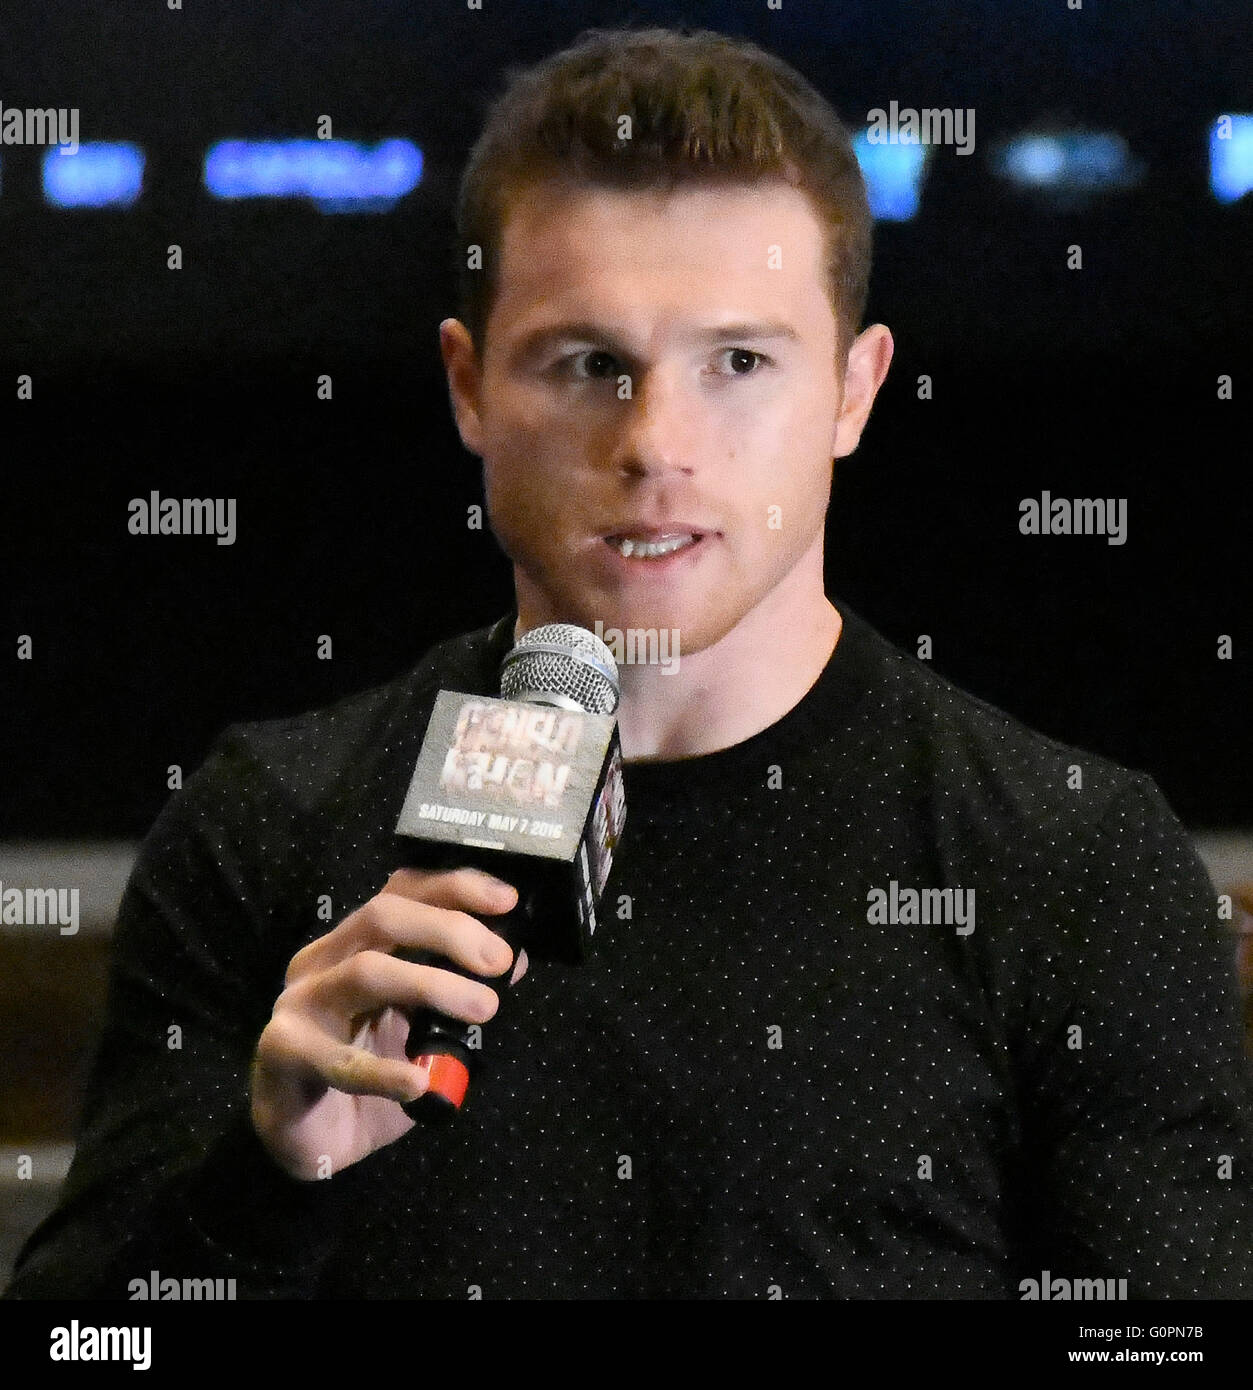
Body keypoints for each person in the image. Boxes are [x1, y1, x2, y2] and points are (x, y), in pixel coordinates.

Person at [7, 24, 1251, 1300]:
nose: (656, 441)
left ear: (852, 393)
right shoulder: (264, 832)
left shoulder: (1075, 867)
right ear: (469, 386)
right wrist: (264, 1181)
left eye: (738, 362)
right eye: (590, 363)